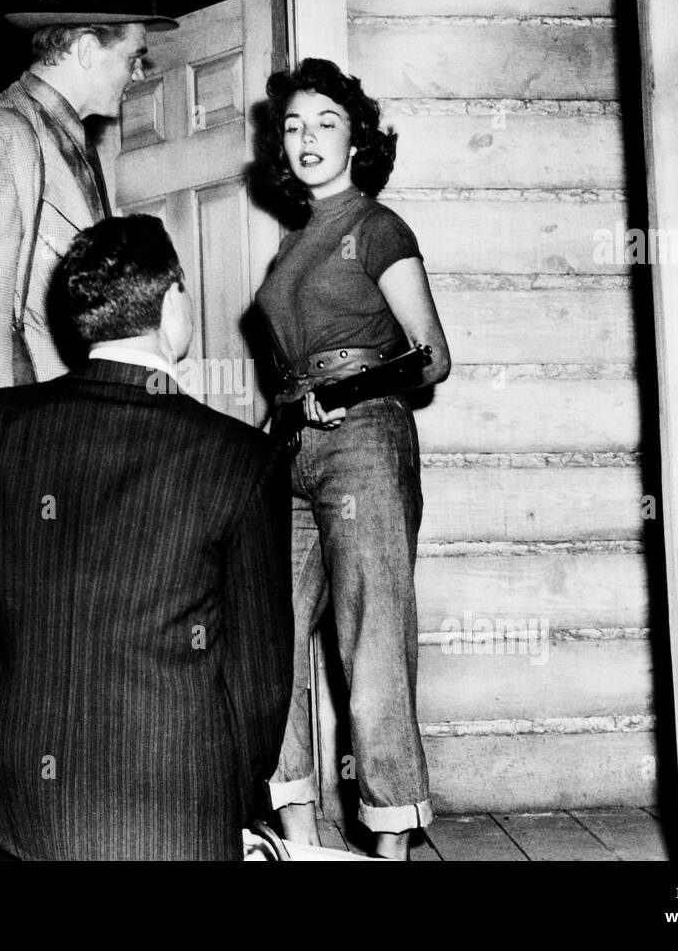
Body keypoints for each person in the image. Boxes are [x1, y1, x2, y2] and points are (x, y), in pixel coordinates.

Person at [0, 215, 294, 860]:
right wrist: (231, 803)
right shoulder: (243, 459)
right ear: (172, 302)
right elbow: (258, 680)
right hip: (168, 818)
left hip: (4, 807)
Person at [253, 58, 452, 860]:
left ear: (356, 137)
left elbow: (431, 356)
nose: (307, 138)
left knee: (370, 640)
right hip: (291, 445)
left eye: (326, 123)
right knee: (268, 637)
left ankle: (391, 841)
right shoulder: (293, 244)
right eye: (294, 125)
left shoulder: (377, 226)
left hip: (364, 435)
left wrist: (350, 388)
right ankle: (298, 835)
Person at [0, 0, 177, 419]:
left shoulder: (67, 142)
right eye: (132, 56)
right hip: (31, 440)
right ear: (85, 50)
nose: (139, 74)